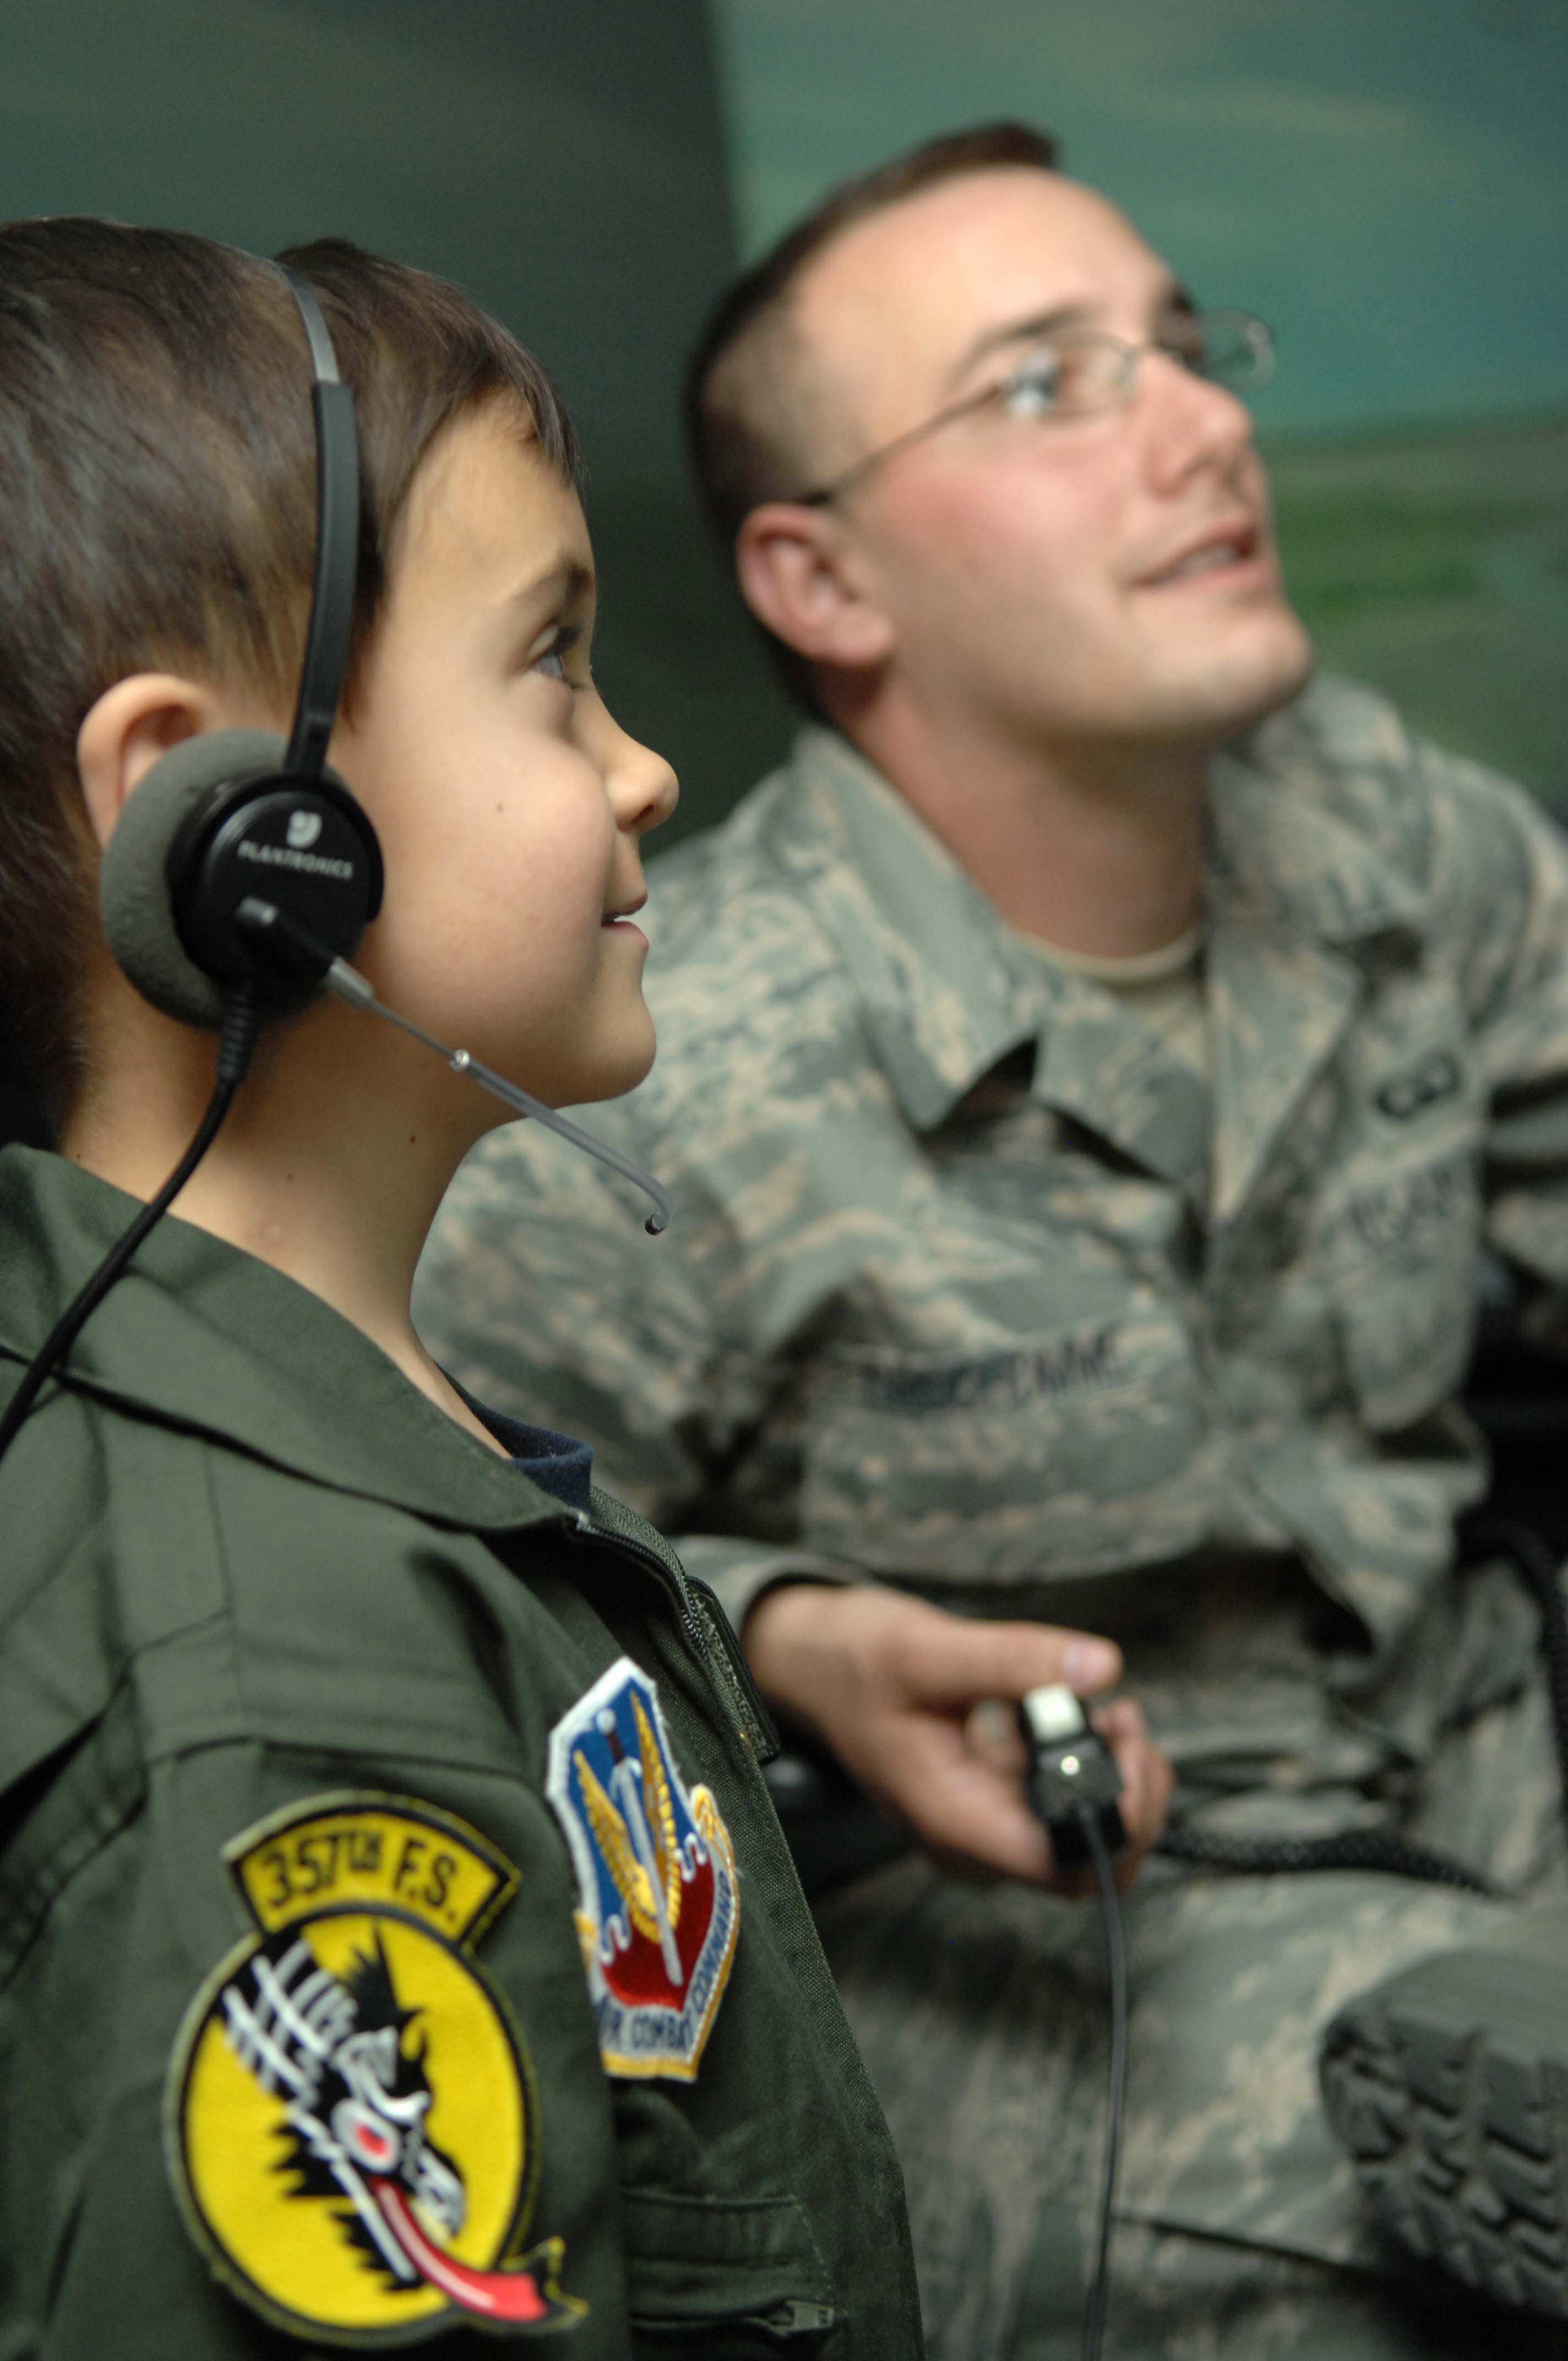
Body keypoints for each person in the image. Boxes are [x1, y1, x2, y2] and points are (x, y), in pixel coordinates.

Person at [414, 125, 1568, 2360]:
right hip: (1064, 1935)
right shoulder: (672, 1067)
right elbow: (441, 1581)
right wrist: (793, 1633)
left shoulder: (1394, 835)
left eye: (1178, 346)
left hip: (1481, 1754)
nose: (1202, 421)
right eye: (1046, 384)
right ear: (821, 583)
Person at [0, 219, 928, 2358]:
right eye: (552, 661)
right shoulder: (291, 1687)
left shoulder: (315, 1462)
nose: (643, 768)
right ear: (219, 820)